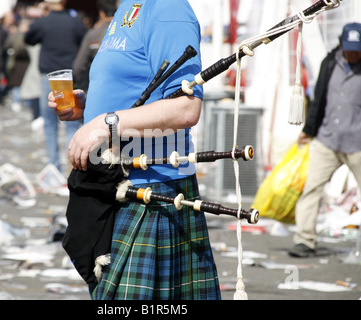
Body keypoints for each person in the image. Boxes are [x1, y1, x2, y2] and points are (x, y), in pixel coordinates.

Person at [50, 0, 221, 300]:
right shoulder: (126, 8)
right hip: (113, 187)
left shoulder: (167, 8)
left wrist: (107, 122)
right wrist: (87, 108)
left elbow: (186, 107)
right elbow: (136, 89)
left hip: (153, 190)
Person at [289, 23, 361, 258]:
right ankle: (304, 240)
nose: (354, 53)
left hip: (359, 145)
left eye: (359, 49)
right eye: (350, 48)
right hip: (327, 141)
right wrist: (308, 129)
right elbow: (319, 99)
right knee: (311, 190)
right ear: (341, 44)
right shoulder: (329, 62)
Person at [25, 0, 87, 173]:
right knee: (71, 123)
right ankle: (73, 168)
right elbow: (84, 40)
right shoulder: (74, 21)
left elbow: (28, 39)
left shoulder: (43, 22)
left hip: (48, 77)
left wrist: (42, 15)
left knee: (50, 123)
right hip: (69, 77)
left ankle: (54, 166)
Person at [73, 0, 117, 92]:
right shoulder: (127, 31)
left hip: (99, 86)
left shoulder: (93, 34)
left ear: (101, 14)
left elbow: (79, 66)